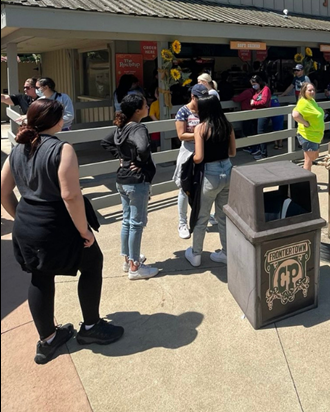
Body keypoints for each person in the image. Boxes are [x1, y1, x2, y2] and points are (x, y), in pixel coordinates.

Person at [1, 98, 124, 364]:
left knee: (40, 278)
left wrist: (20, 217)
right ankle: (91, 327)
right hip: (58, 225)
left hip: (27, 225)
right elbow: (70, 196)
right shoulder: (62, 149)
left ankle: (47, 340)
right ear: (58, 121)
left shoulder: (17, 149)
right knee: (93, 264)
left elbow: (3, 190)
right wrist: (85, 232)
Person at [100, 95, 159, 279]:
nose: (148, 106)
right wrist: (141, 162)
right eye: (145, 104)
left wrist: (122, 157)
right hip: (136, 181)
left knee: (127, 221)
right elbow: (142, 148)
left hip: (122, 179)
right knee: (136, 223)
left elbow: (105, 142)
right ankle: (135, 266)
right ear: (137, 110)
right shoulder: (138, 128)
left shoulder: (122, 127)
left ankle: (128, 260)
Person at [185, 94, 236, 267]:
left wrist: (190, 160)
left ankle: (196, 254)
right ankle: (226, 252)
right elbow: (233, 152)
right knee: (223, 216)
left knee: (202, 216)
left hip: (209, 175)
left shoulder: (201, 128)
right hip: (228, 171)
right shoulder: (227, 125)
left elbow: (199, 157)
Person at [172, 87, 205, 239]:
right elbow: (181, 134)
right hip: (187, 153)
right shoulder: (183, 112)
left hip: (203, 151)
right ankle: (182, 222)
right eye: (199, 98)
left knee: (203, 187)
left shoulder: (205, 109)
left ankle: (201, 215)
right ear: (192, 96)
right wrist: (199, 135)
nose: (201, 101)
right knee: (184, 189)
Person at [293, 82, 324, 172]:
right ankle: (306, 184)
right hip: (308, 135)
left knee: (313, 157)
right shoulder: (303, 102)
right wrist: (305, 123)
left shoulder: (312, 101)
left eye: (313, 90)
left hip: (315, 135)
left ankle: (305, 180)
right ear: (304, 91)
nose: (312, 92)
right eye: (309, 90)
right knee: (308, 161)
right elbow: (295, 115)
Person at [249, 73, 274, 159]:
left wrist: (254, 103)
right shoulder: (256, 91)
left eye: (255, 84)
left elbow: (264, 102)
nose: (253, 86)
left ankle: (264, 153)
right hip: (256, 113)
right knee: (256, 132)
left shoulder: (266, 89)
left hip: (264, 114)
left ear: (259, 82)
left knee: (261, 132)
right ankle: (259, 150)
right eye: (252, 85)